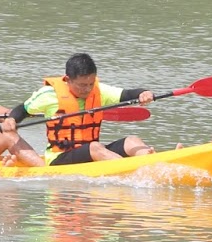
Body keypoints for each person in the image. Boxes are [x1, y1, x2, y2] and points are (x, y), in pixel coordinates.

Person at [9, 53, 155, 165]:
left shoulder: (98, 91)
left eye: (91, 84)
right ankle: (135, 171)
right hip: (59, 159)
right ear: (67, 79)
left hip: (91, 152)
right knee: (94, 147)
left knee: (132, 141)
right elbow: (22, 109)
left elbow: (126, 94)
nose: (87, 89)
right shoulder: (48, 95)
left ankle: (154, 164)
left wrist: (143, 93)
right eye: (82, 85)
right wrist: (11, 120)